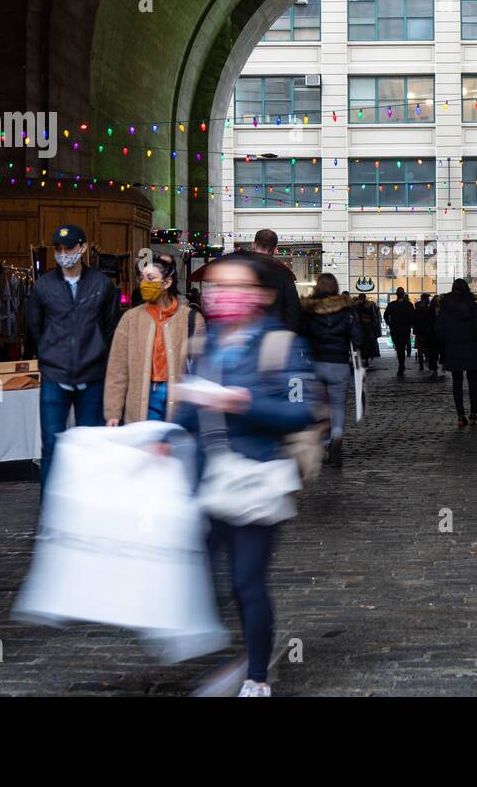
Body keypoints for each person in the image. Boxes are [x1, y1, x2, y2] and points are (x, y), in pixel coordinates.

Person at [175, 255, 315, 697]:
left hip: (256, 482)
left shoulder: (281, 345)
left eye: (234, 286)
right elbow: (192, 411)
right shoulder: (206, 341)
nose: (221, 295)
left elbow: (301, 411)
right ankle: (232, 648)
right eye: (215, 286)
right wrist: (168, 432)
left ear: (263, 295)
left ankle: (256, 675)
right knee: (198, 572)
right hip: (207, 480)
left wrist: (242, 402)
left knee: (245, 581)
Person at [25, 224, 120, 490]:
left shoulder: (102, 285)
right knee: (51, 448)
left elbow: (110, 327)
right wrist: (47, 356)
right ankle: (50, 513)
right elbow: (34, 328)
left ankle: (90, 508)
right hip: (55, 376)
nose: (64, 253)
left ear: (83, 248)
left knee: (92, 446)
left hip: (93, 376)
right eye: (59, 248)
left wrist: (100, 357)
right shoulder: (43, 287)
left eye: (69, 247)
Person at [105, 254, 202, 426]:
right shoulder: (131, 318)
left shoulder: (191, 319)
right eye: (142, 278)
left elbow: (203, 367)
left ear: (167, 283)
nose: (144, 284)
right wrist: (113, 411)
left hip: (179, 396)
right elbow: (117, 367)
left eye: (150, 278)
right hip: (143, 395)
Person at [301, 273, 361, 468]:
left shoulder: (309, 311)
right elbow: (358, 339)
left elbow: (302, 336)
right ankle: (337, 436)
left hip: (315, 364)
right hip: (339, 364)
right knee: (338, 405)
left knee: (320, 407)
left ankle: (325, 442)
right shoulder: (347, 310)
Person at [436, 279, 477, 426]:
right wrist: (476, 336)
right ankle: (472, 413)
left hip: (453, 346)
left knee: (457, 382)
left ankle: (460, 415)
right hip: (471, 345)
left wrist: (447, 339)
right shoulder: (473, 305)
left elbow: (439, 327)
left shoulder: (445, 307)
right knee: (473, 380)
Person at [238, 229, 302, 333]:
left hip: (246, 335)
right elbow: (293, 311)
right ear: (275, 249)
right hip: (275, 337)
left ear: (253, 245)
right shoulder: (285, 273)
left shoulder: (240, 270)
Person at [383, 287, 416, 377]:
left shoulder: (392, 305)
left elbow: (386, 315)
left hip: (396, 329)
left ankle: (401, 364)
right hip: (404, 329)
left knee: (399, 348)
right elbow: (413, 316)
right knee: (401, 348)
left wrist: (389, 324)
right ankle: (401, 364)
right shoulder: (408, 304)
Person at [413, 293, 439, 376]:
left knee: (422, 348)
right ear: (424, 299)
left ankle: (424, 364)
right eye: (428, 298)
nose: (429, 300)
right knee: (425, 348)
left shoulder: (419, 308)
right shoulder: (425, 309)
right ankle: (424, 363)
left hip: (421, 331)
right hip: (423, 331)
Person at [353, 293, 381, 366]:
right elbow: (373, 316)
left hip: (361, 327)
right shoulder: (369, 305)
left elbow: (355, 316)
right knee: (367, 344)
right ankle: (366, 359)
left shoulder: (355, 305)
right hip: (368, 327)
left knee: (361, 344)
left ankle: (362, 359)